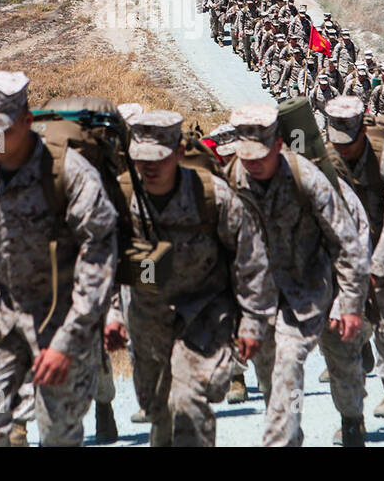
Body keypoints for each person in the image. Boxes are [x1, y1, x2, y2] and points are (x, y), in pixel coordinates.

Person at [0, 72, 117, 446]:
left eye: (1, 129)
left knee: (58, 435)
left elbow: (99, 258)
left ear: (26, 121)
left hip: (63, 321)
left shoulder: (70, 174)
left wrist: (67, 341)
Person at [103, 111, 274, 446]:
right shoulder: (122, 200)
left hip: (204, 313)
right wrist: (111, 313)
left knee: (187, 402)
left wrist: (252, 323)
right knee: (158, 407)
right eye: (140, 159)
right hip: (147, 317)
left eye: (159, 159)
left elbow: (250, 260)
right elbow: (103, 259)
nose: (148, 168)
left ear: (179, 153)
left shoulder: (212, 197)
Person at [220, 105, 365, 447]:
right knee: (275, 378)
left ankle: (352, 419)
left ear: (278, 146)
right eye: (245, 155)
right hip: (260, 298)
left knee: (332, 365)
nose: (251, 163)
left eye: (260, 155)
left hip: (312, 287)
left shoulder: (307, 179)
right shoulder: (230, 182)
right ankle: (290, 433)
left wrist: (351, 303)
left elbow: (347, 243)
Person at [323, 96, 384, 428]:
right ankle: (352, 418)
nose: (343, 149)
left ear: (361, 131)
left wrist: (376, 268)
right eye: (338, 142)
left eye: (349, 142)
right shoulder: (324, 162)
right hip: (345, 262)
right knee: (343, 341)